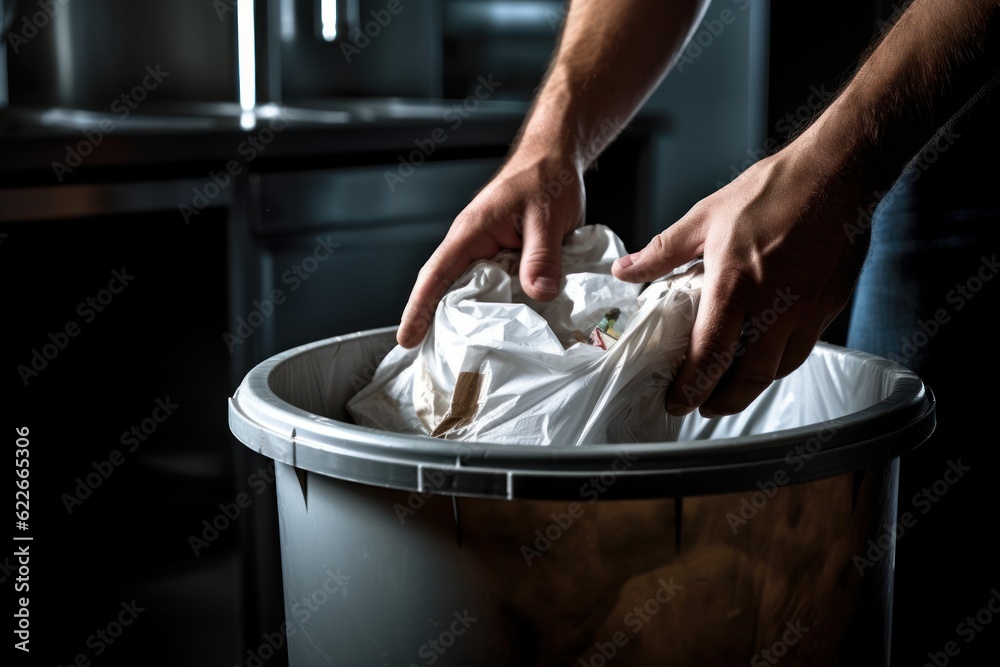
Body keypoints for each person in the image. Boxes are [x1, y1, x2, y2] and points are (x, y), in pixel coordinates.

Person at [398, 0, 1000, 661]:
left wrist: (839, 167)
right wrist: (551, 142)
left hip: (968, 111)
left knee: (920, 555)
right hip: (924, 130)